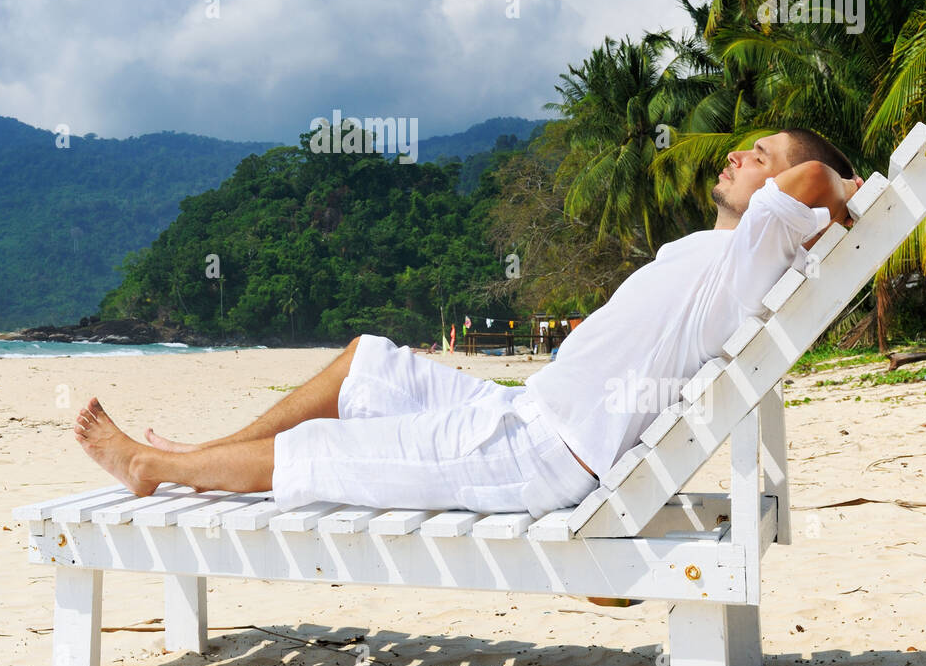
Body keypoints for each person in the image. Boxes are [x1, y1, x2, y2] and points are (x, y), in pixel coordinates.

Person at [73, 128, 863, 520]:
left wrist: (841, 179)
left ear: (786, 201)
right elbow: (794, 186)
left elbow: (814, 180)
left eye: (758, 154)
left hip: (539, 455)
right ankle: (206, 452)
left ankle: (155, 467)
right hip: (518, 415)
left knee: (316, 452)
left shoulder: (753, 256)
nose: (735, 156)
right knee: (368, 360)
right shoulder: (711, 250)